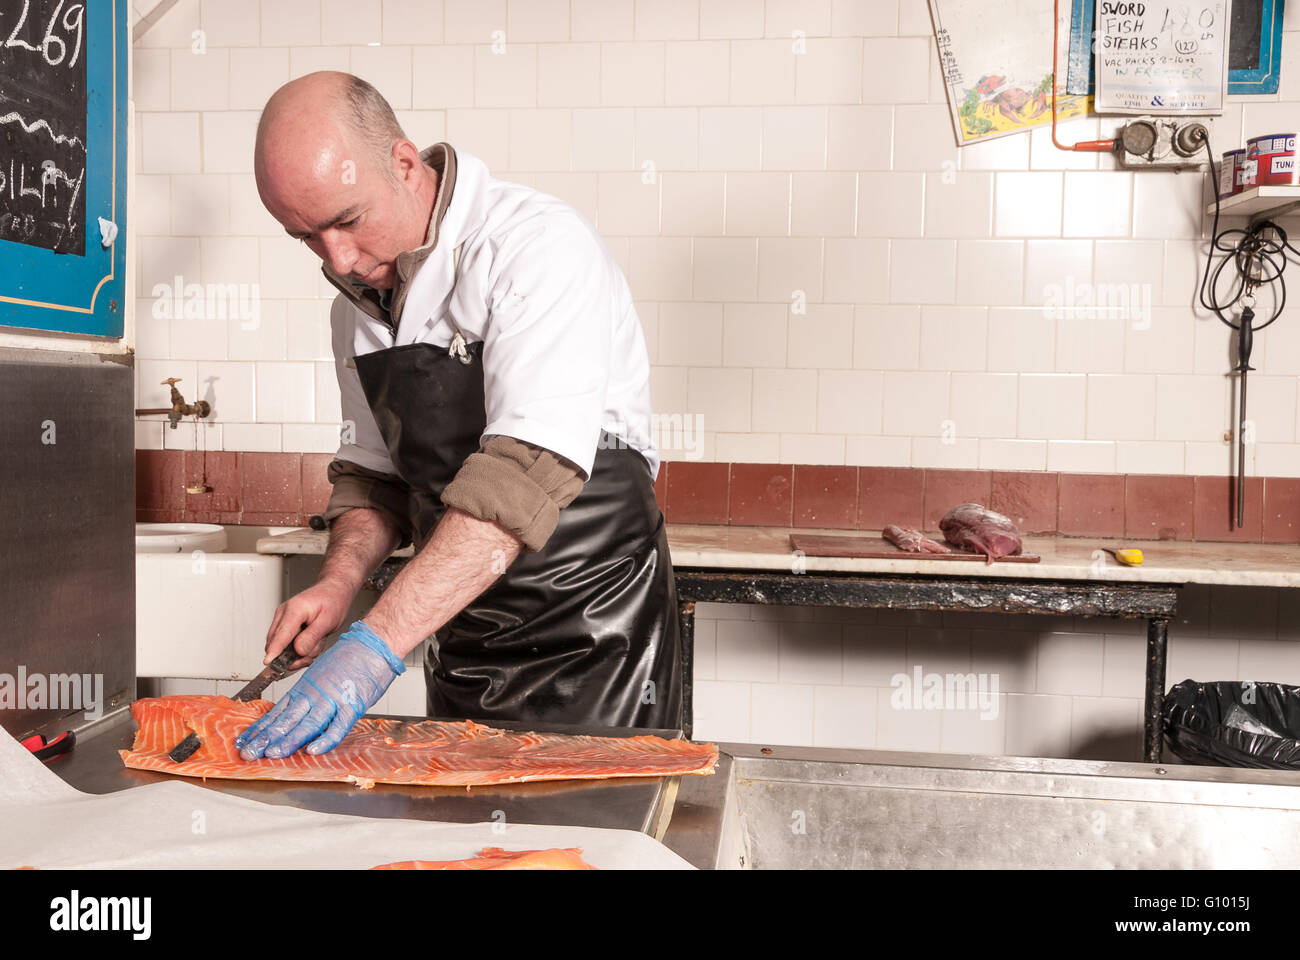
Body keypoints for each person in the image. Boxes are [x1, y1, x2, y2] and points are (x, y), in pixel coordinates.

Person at [235, 72, 680, 761]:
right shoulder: (353, 308)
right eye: (306, 238)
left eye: (347, 221)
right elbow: (374, 478)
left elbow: (519, 483)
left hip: (593, 628)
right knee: (469, 847)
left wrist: (374, 646)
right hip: (459, 627)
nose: (338, 261)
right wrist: (338, 583)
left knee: (588, 847)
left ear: (405, 164)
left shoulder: (536, 247)